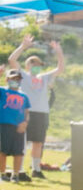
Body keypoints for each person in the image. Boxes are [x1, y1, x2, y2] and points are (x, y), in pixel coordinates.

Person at [7, 34, 64, 179]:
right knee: (23, 141)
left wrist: (59, 52)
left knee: (38, 142)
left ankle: (36, 169)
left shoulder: (44, 78)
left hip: (42, 113)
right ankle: (19, 170)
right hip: (26, 112)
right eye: (34, 65)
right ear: (28, 66)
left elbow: (60, 68)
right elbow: (11, 60)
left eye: (39, 65)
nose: (37, 68)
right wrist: (23, 46)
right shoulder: (23, 76)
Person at [1, 70, 31, 182]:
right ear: (7, 79)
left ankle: (16, 175)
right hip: (4, 125)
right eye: (13, 79)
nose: (15, 81)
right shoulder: (2, 91)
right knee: (2, 150)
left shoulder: (24, 96)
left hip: (19, 127)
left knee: (18, 152)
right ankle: (2, 174)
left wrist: (25, 123)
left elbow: (27, 112)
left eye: (18, 79)